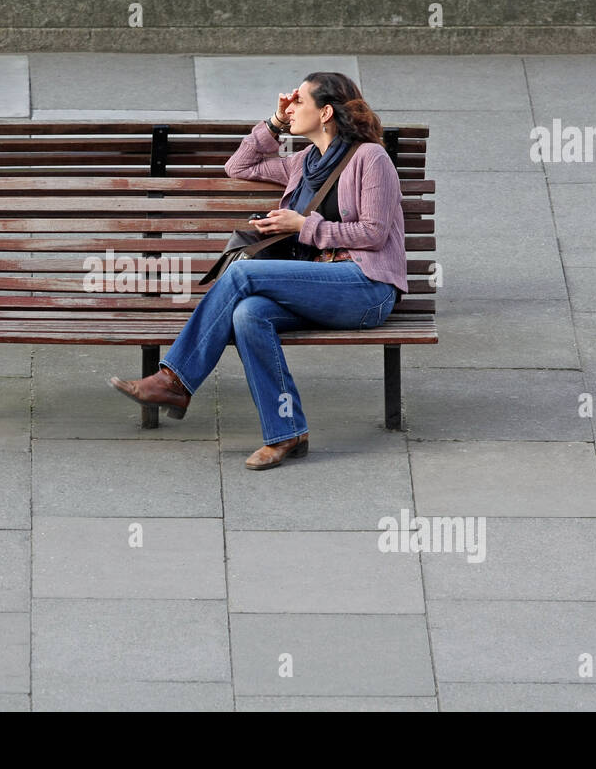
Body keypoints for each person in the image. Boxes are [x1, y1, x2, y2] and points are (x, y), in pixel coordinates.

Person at [108, 71, 407, 470]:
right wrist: (275, 122)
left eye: (299, 101)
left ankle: (175, 380)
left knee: (242, 275)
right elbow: (238, 166)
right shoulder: (304, 163)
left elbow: (373, 233)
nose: (290, 104)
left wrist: (303, 226)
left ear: (326, 112)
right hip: (318, 287)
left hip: (366, 288)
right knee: (249, 314)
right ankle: (286, 433)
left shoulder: (372, 158)